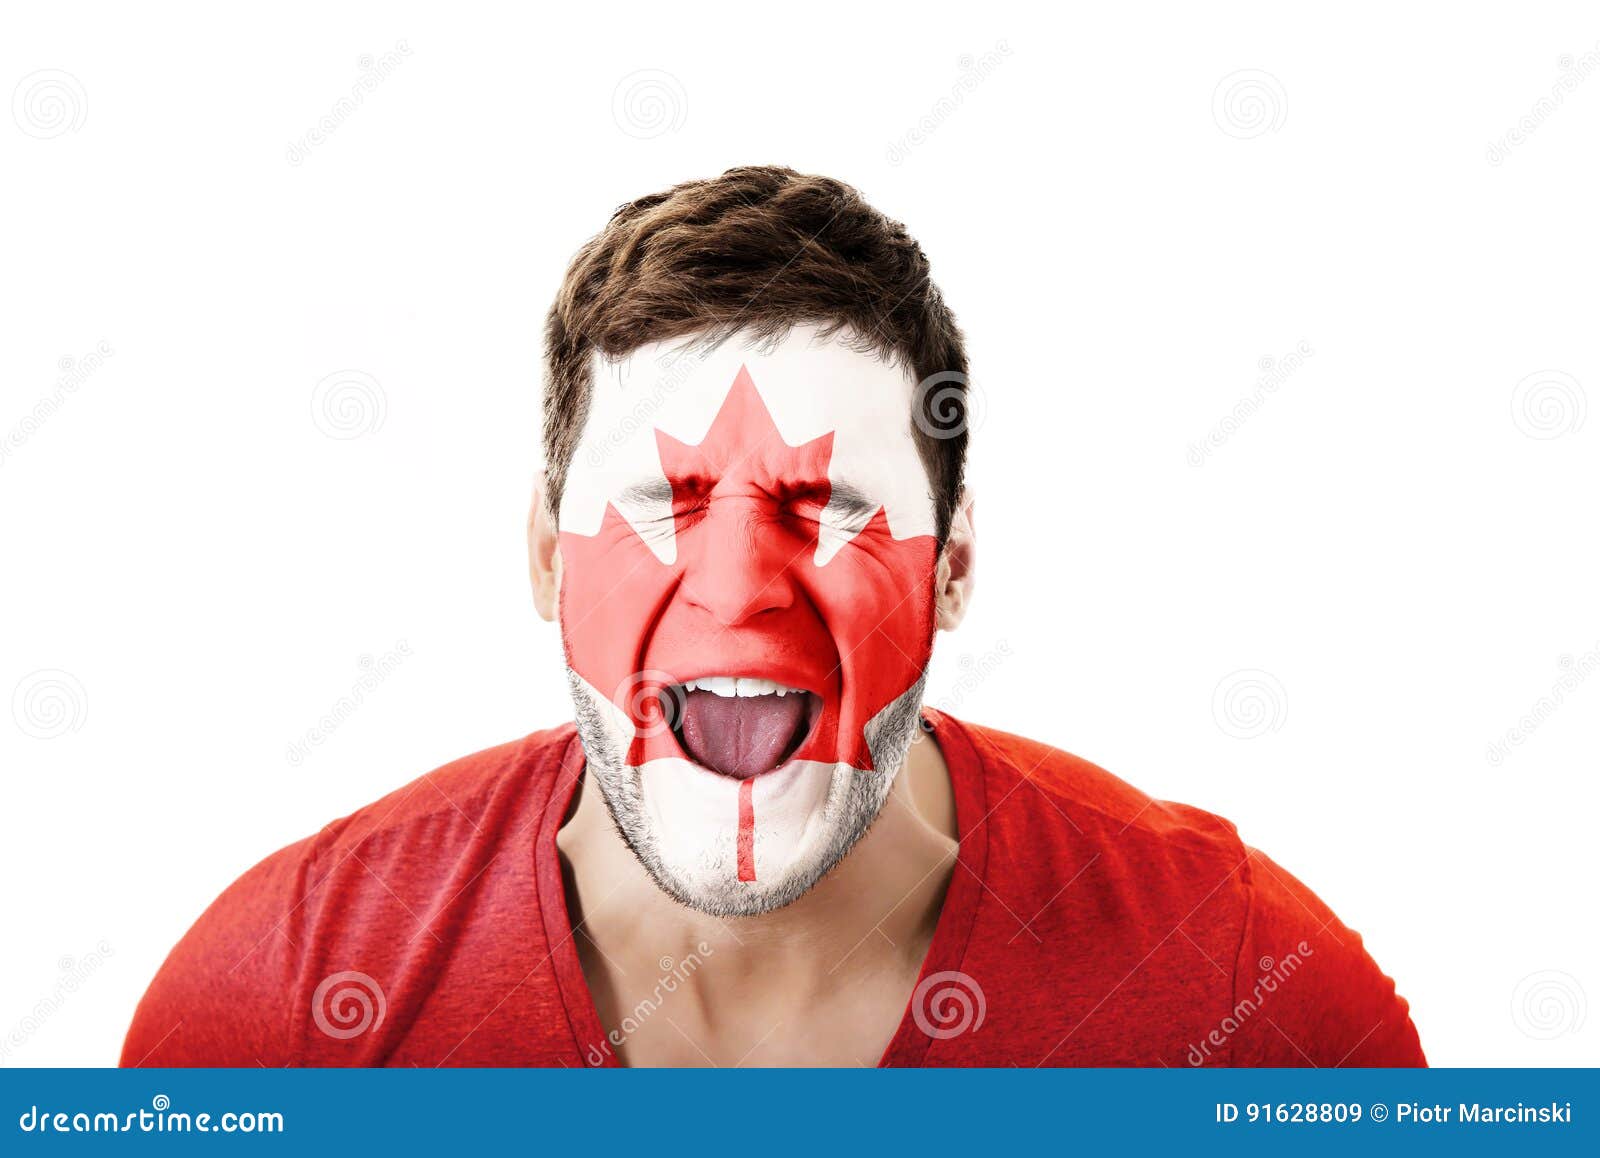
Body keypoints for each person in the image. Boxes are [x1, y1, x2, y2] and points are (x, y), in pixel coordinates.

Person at [121, 167, 1424, 1067]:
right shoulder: (282, 1005)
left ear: (955, 565)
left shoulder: (1249, 995)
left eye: (832, 509)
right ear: (543, 558)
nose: (738, 590)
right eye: (661, 506)